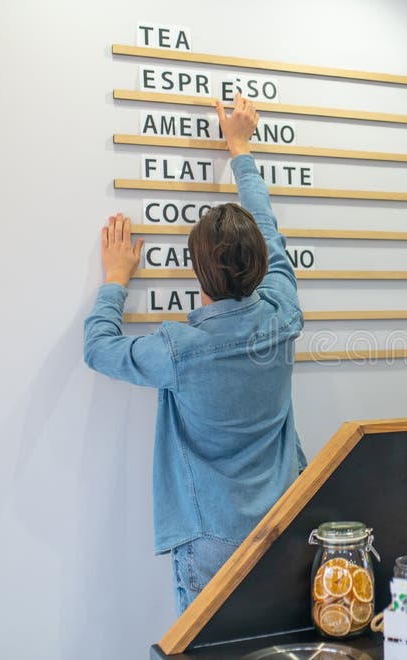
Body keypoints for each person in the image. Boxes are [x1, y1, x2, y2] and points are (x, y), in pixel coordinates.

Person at [83, 94, 307, 615]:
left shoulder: (177, 350)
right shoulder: (283, 314)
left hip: (211, 538)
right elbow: (267, 228)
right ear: (260, 263)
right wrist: (240, 149)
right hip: (284, 522)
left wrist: (115, 279)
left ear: (197, 271)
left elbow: (98, 349)